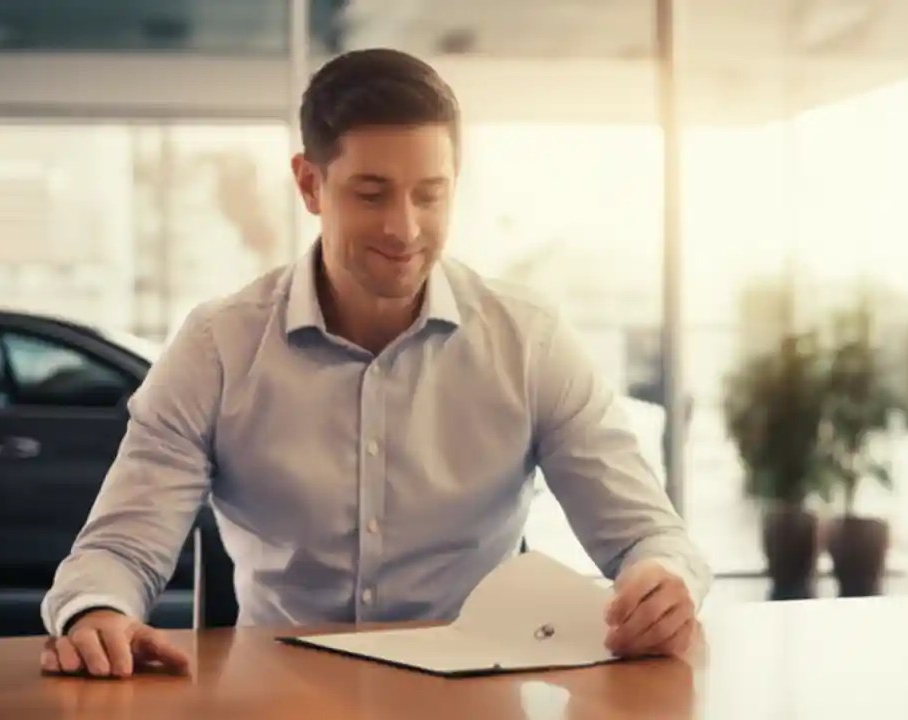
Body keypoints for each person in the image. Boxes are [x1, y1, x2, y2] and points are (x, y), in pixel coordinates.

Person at [39, 48, 710, 679]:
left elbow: (648, 535)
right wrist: (98, 612)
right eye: (371, 192)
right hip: (279, 696)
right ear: (309, 183)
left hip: (474, 695)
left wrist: (662, 578)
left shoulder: (527, 341)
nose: (405, 228)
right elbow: (118, 552)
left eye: (429, 193)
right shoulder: (218, 346)